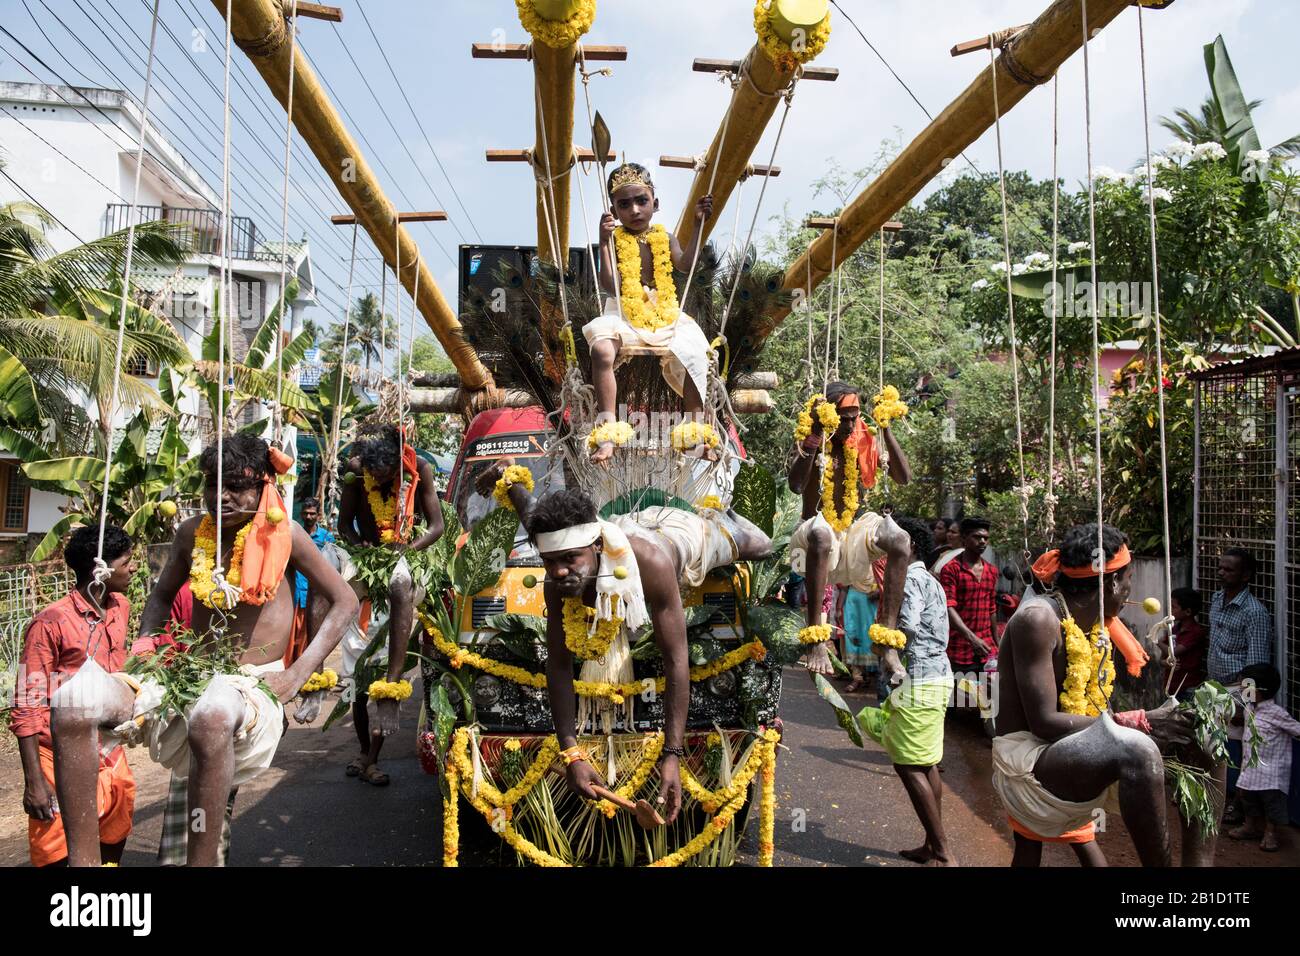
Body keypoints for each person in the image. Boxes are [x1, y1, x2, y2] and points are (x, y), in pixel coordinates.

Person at [49, 434, 359, 867]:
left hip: (250, 684)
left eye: (236, 486)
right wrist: (144, 648)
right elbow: (159, 598)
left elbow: (345, 601)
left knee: (211, 715)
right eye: (214, 485)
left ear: (264, 486)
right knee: (71, 701)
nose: (222, 496)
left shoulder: (286, 532)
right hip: (189, 673)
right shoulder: (192, 532)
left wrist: (297, 674)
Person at [501, 485, 769, 820]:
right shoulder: (558, 580)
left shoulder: (651, 565)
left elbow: (676, 659)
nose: (558, 571)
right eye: (549, 561)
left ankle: (722, 519)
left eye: (570, 559)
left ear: (597, 545)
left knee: (759, 546)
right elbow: (558, 664)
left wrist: (672, 754)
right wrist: (571, 753)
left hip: (680, 538)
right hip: (626, 527)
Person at [992, 523, 1193, 867]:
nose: (1131, 587)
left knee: (1199, 729)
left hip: (1070, 752)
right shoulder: (1038, 620)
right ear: (1113, 582)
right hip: (1028, 762)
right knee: (1137, 750)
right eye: (1129, 578)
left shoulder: (1094, 622)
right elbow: (1043, 723)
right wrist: (1134, 722)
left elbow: (1094, 705)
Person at [11, 525, 137, 867]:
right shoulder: (50, 622)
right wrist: (34, 781)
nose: (134, 568)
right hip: (58, 754)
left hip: (109, 751)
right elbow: (27, 701)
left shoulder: (120, 607)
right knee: (57, 847)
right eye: (128, 562)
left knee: (113, 835)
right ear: (101, 570)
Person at [336, 423, 445, 786]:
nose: (378, 481)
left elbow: (436, 526)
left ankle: (374, 754)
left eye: (386, 475)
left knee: (383, 670)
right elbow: (344, 524)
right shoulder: (355, 474)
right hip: (364, 569)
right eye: (373, 474)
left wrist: (405, 551)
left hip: (403, 562)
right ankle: (364, 751)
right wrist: (360, 547)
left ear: (399, 466)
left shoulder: (420, 470)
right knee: (357, 676)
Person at [586, 162, 715, 462]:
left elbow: (685, 265)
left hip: (665, 312)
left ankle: (694, 435)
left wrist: (698, 224)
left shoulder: (665, 237)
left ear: (655, 204)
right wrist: (604, 243)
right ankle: (607, 433)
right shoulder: (615, 240)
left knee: (699, 352)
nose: (634, 210)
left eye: (641, 201)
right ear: (614, 210)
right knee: (602, 350)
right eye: (624, 204)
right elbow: (610, 285)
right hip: (623, 312)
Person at [785, 382, 913, 678]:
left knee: (900, 539)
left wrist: (886, 429)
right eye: (845, 418)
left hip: (851, 537)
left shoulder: (864, 438)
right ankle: (816, 637)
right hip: (813, 540)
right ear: (830, 414)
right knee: (821, 532)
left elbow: (903, 477)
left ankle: (887, 640)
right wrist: (816, 434)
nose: (852, 423)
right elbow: (795, 485)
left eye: (856, 416)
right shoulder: (814, 437)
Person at [856, 515, 956, 865]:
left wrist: (882, 636)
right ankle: (932, 844)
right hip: (935, 676)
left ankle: (943, 853)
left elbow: (907, 627)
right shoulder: (927, 577)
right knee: (925, 762)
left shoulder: (911, 579)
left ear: (907, 544)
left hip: (919, 677)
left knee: (907, 765)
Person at [1229, 663, 1300, 852]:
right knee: (1247, 798)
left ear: (1258, 689)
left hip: (1271, 771)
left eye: (1245, 685)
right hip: (1250, 768)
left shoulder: (1277, 714)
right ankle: (1250, 826)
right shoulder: (1249, 709)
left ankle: (1271, 833)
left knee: (1272, 804)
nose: (1241, 688)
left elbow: (1297, 729)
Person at [938, 517, 997, 678]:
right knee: (961, 701)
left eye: (985, 538)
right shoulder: (951, 569)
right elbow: (948, 607)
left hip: (987, 651)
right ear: (964, 538)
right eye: (977, 537)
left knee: (990, 699)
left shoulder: (991, 571)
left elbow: (992, 609)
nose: (983, 541)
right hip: (959, 650)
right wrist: (973, 639)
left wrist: (997, 646)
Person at [1207, 548, 1273, 684]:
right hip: (1214, 686)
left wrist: (1245, 699)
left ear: (1245, 576)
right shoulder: (1217, 599)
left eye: (1228, 570)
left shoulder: (1254, 612)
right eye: (1220, 568)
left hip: (1237, 691)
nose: (1220, 573)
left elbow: (1256, 664)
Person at [285, 496, 335, 668]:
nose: (308, 517)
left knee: (311, 633)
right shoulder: (294, 535)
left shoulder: (326, 538)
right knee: (292, 636)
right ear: (301, 513)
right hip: (295, 592)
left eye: (312, 514)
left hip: (315, 593)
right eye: (305, 513)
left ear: (318, 516)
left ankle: (308, 670)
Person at [1163, 586, 1206, 699]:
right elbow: (1163, 658)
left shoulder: (1195, 632)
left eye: (1173, 607)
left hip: (1188, 687)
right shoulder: (1174, 629)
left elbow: (1173, 652)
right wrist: (1165, 663)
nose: (1170, 610)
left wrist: (1156, 640)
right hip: (1171, 685)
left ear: (1187, 611)